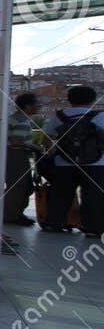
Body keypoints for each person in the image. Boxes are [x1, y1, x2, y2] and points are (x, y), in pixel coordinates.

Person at [41, 84, 104, 238]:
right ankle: (93, 228)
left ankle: (54, 223)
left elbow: (46, 138)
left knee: (61, 194)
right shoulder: (100, 116)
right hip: (95, 163)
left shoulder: (60, 116)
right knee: (93, 196)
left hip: (64, 162)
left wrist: (52, 152)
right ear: (92, 100)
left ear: (69, 99)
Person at [4, 91, 45, 226]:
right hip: (16, 155)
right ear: (27, 106)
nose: (39, 107)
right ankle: (11, 215)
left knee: (25, 186)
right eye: (37, 104)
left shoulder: (17, 118)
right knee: (18, 186)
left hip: (17, 155)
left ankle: (16, 213)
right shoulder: (20, 120)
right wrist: (36, 147)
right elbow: (16, 141)